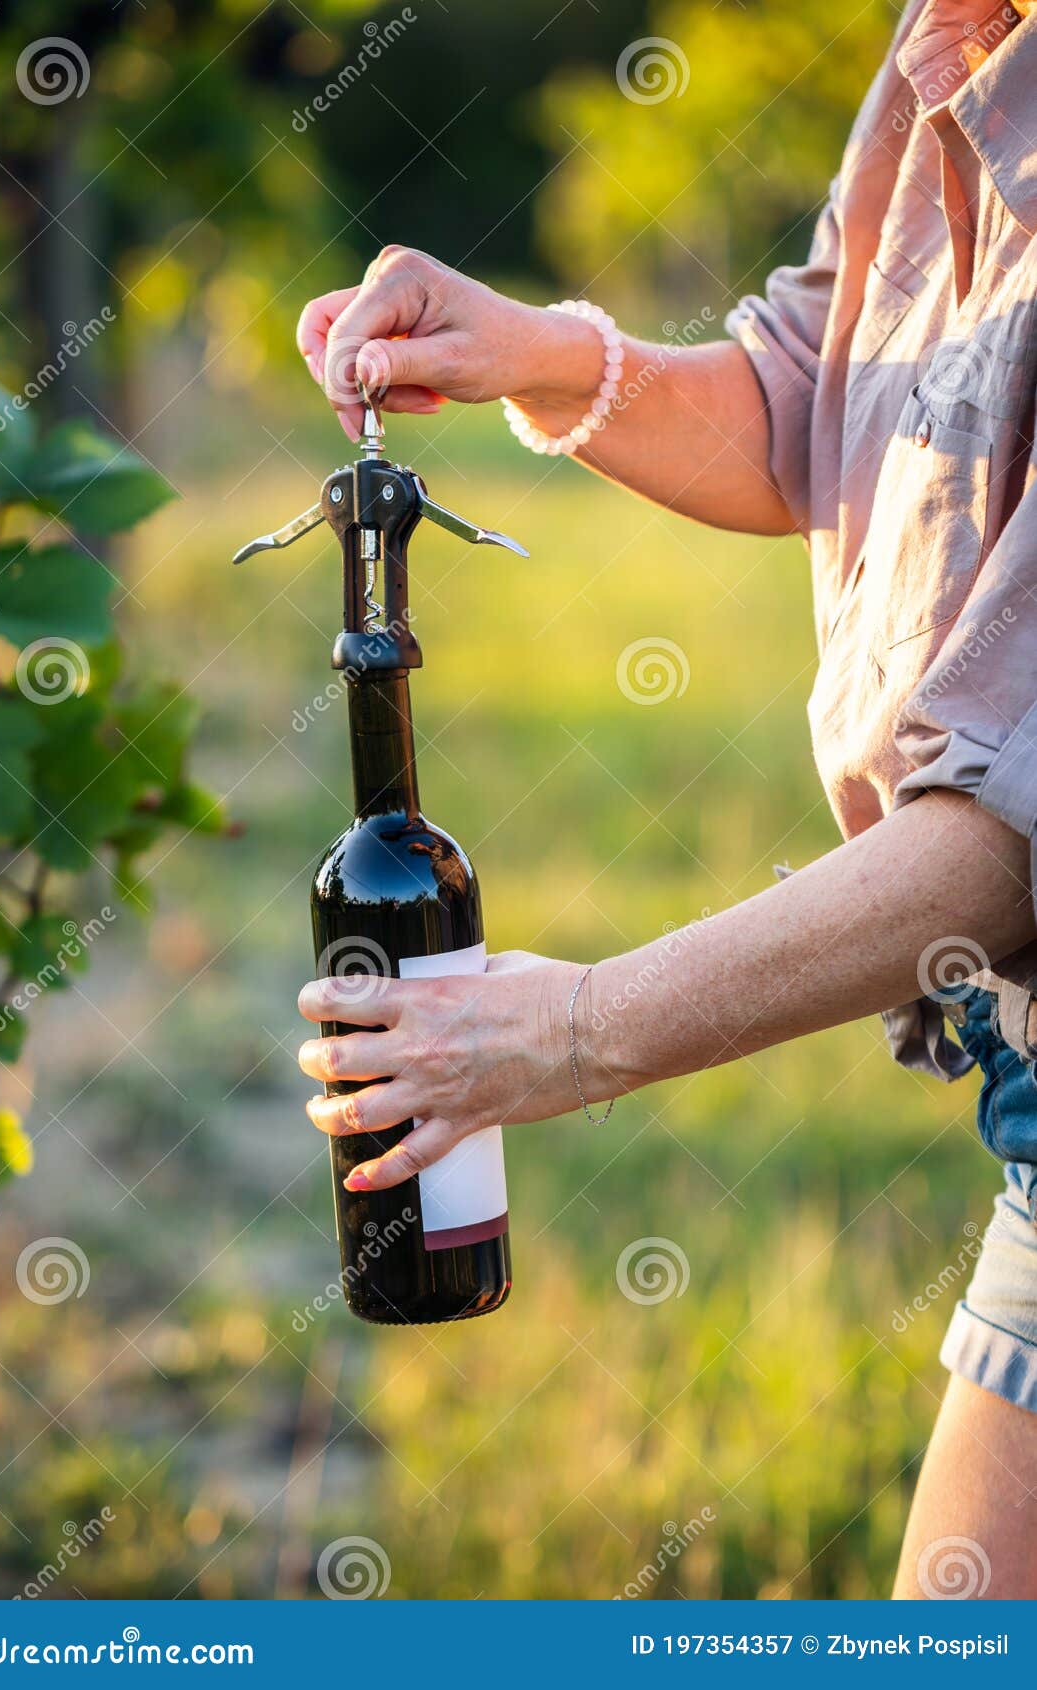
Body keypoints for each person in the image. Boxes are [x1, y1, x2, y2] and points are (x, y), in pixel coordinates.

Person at [294, 0, 1037, 1597]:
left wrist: (569, 1031)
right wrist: (542, 350)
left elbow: (1002, 851)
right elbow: (818, 393)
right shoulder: (951, 44)